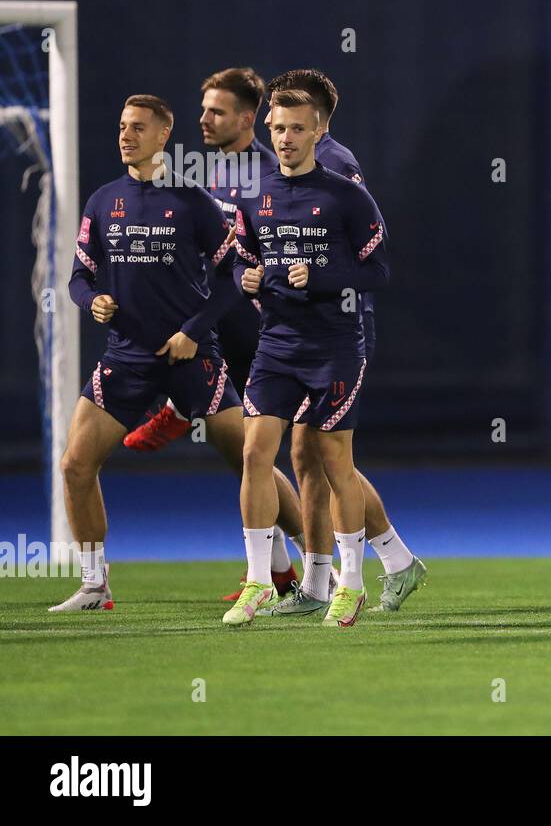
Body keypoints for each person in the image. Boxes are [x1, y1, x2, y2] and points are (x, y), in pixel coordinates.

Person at [50, 94, 302, 611]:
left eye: (138, 127)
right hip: (126, 358)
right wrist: (90, 299)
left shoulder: (190, 202)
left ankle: (324, 568)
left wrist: (193, 330)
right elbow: (78, 277)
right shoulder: (103, 202)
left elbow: (237, 276)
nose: (126, 135)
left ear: (163, 136)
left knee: (253, 461)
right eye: (122, 126)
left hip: (193, 360)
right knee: (75, 465)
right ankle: (96, 586)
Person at [225, 89, 390, 627]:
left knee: (334, 462)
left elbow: (377, 271)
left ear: (318, 131)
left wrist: (323, 278)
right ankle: (257, 582)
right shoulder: (255, 196)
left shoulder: (346, 196)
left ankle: (352, 585)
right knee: (254, 453)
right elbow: (242, 261)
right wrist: (245, 280)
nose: (286, 139)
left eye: (297, 129)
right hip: (276, 345)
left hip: (334, 347)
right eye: (278, 129)